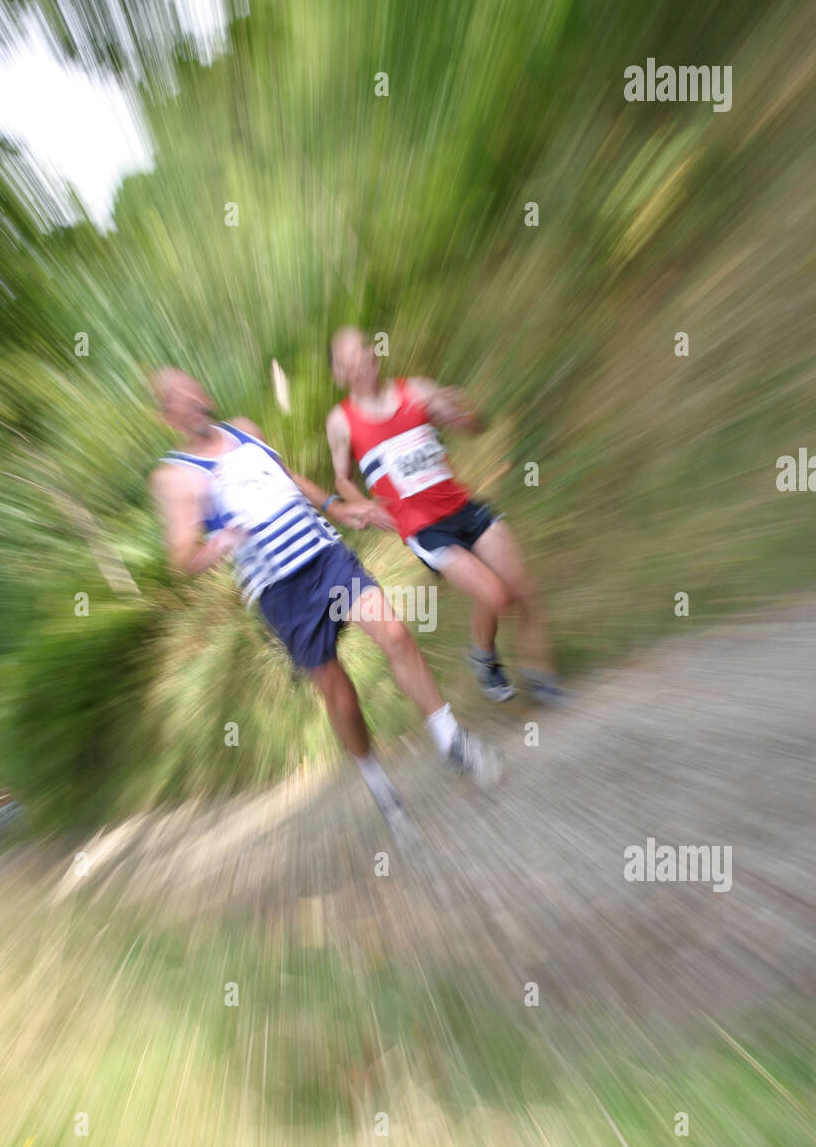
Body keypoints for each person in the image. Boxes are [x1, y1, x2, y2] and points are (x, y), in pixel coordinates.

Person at [149, 368, 501, 835]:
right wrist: (212, 547)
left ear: (203, 391)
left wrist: (338, 506)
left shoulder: (245, 430)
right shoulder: (176, 478)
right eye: (176, 396)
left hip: (326, 557)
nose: (190, 397)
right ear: (167, 414)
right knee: (340, 693)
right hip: (280, 591)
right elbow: (179, 556)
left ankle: (450, 739)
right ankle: (381, 789)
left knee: (394, 633)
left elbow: (290, 476)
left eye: (192, 386)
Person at [325, 327, 563, 705]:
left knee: (524, 589)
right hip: (425, 529)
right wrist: (363, 505)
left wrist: (462, 414)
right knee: (496, 596)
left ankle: (542, 678)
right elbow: (342, 477)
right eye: (349, 357)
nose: (363, 359)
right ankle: (483, 656)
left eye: (365, 348)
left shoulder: (416, 389)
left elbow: (475, 424)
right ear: (339, 372)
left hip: (463, 506)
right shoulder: (341, 421)